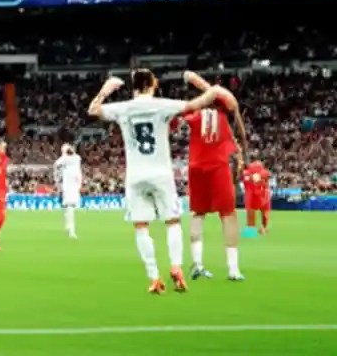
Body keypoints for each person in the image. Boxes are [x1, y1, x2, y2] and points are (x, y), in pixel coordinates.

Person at [88, 69, 228, 294]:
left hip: (135, 176)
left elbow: (93, 110)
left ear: (134, 86)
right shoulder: (163, 104)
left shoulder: (123, 108)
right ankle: (176, 267)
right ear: (152, 84)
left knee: (141, 227)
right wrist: (212, 90)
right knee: (172, 221)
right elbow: (196, 104)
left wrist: (107, 89)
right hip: (161, 174)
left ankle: (154, 277)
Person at [181, 71, 247, 281]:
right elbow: (222, 95)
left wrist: (192, 80)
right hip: (218, 166)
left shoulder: (192, 114)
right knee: (228, 215)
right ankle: (233, 269)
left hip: (196, 167)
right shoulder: (224, 113)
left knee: (198, 214)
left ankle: (197, 264)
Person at [53, 144, 83, 239]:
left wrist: (57, 178)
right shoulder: (73, 158)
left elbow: (56, 165)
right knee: (70, 207)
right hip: (70, 186)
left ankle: (69, 227)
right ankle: (71, 230)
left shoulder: (69, 159)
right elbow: (56, 166)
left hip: (72, 185)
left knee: (70, 207)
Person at [243, 160, 272, 235]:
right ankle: (262, 228)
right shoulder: (264, 173)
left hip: (254, 197)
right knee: (264, 214)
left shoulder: (247, 173)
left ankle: (253, 230)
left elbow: (246, 177)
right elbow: (267, 175)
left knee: (252, 214)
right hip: (261, 197)